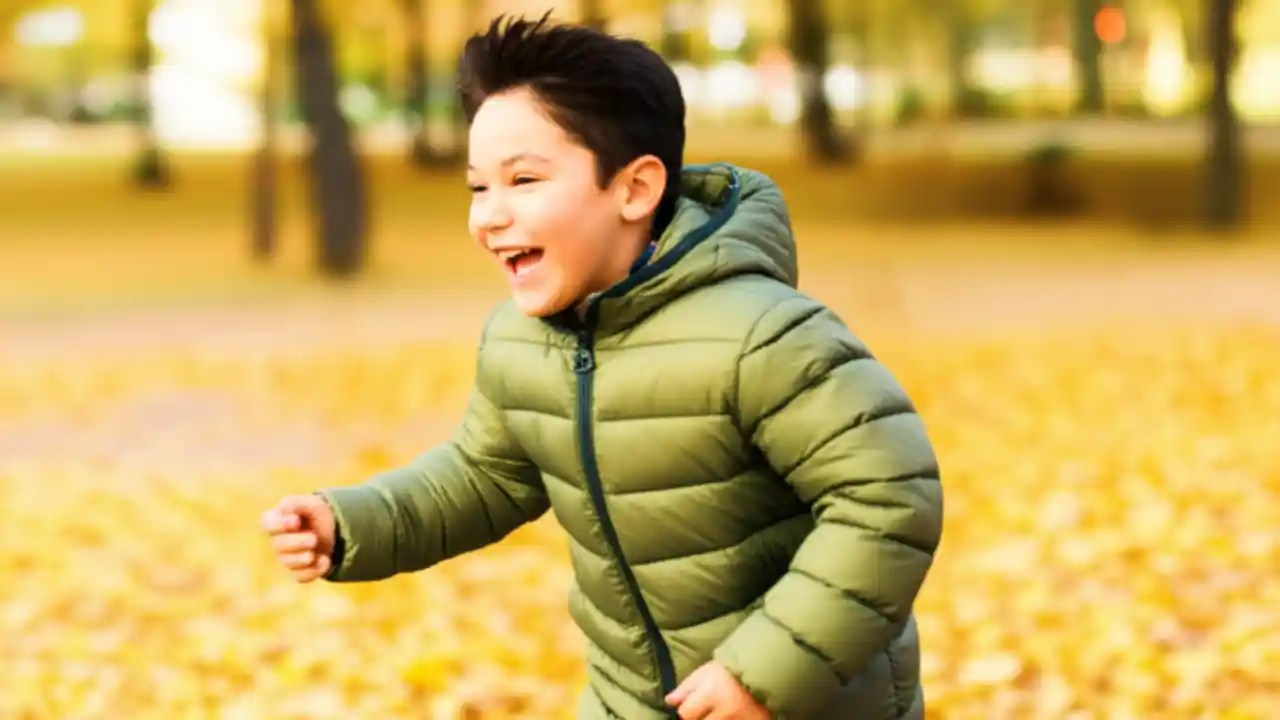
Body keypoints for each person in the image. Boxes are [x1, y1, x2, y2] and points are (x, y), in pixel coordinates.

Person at [261, 13, 942, 720]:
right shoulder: (524, 341)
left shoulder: (761, 335)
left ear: (636, 190)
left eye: (523, 179)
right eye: (477, 187)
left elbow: (889, 499)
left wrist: (761, 674)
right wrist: (352, 524)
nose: (489, 216)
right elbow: (486, 474)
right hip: (630, 703)